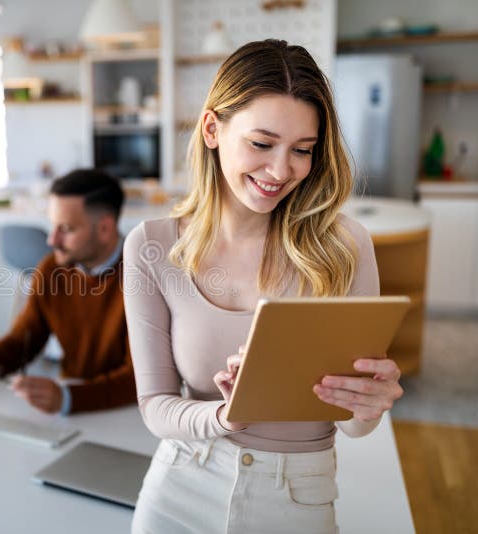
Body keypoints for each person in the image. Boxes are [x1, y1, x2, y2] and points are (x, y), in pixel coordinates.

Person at [122, 39, 404, 533]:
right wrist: (225, 416)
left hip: (296, 494)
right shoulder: (151, 246)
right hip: (180, 485)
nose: (280, 171)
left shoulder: (344, 247)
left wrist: (368, 406)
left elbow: (353, 423)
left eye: (302, 151)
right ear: (213, 128)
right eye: (261, 143)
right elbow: (155, 405)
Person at [0, 169, 136, 415]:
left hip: (130, 412)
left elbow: (140, 379)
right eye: (53, 226)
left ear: (105, 229)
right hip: (79, 410)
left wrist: (68, 398)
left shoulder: (143, 277)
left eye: (66, 229)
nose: (52, 240)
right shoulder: (53, 269)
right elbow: (21, 343)